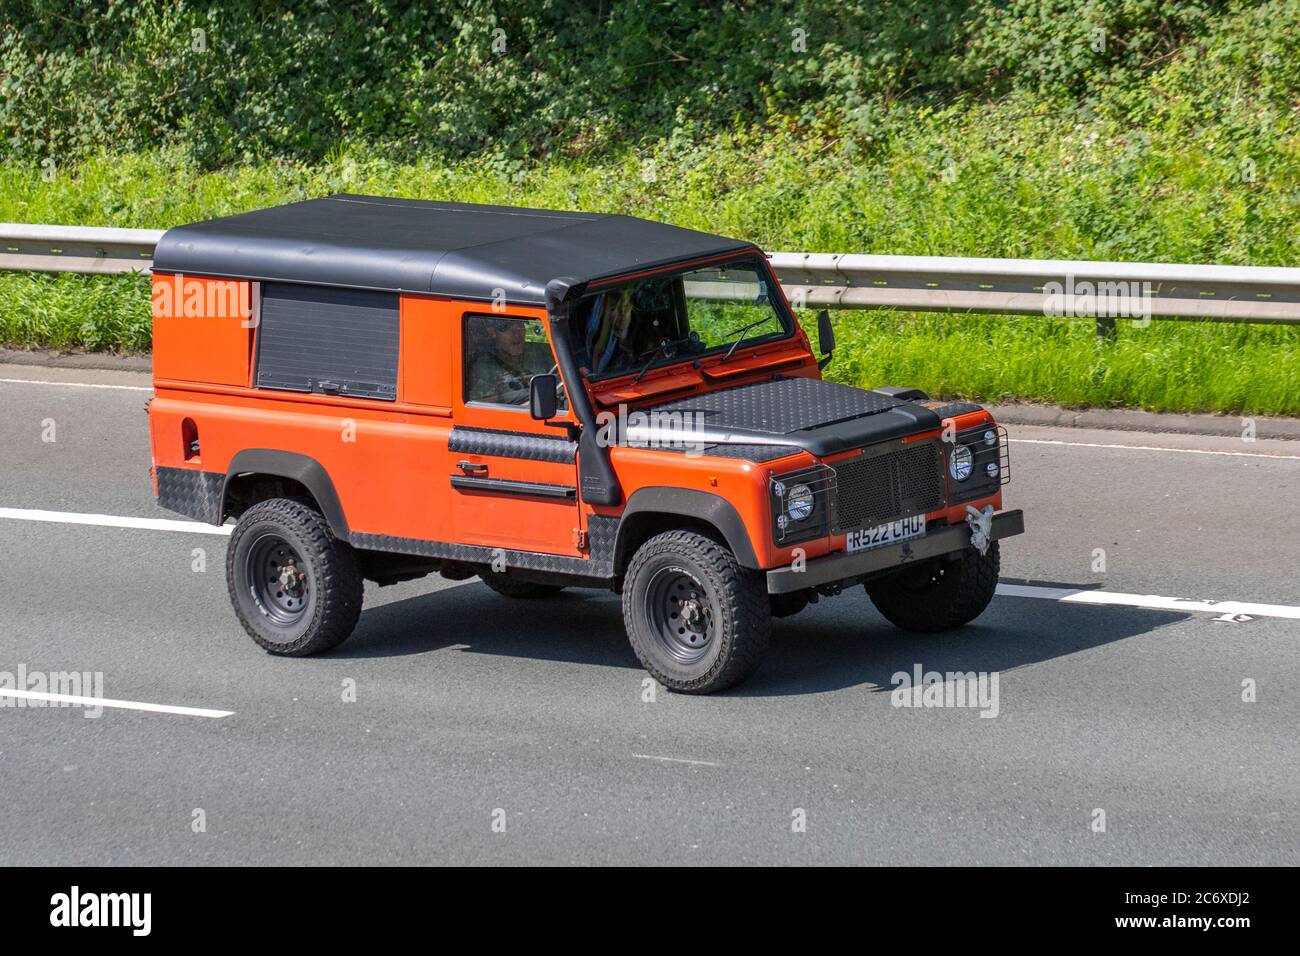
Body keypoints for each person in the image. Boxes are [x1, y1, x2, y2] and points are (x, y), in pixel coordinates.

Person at [468, 317, 549, 405]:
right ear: (493, 333)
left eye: (520, 326)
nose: (517, 334)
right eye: (507, 329)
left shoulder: (542, 352)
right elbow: (478, 406)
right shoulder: (484, 368)